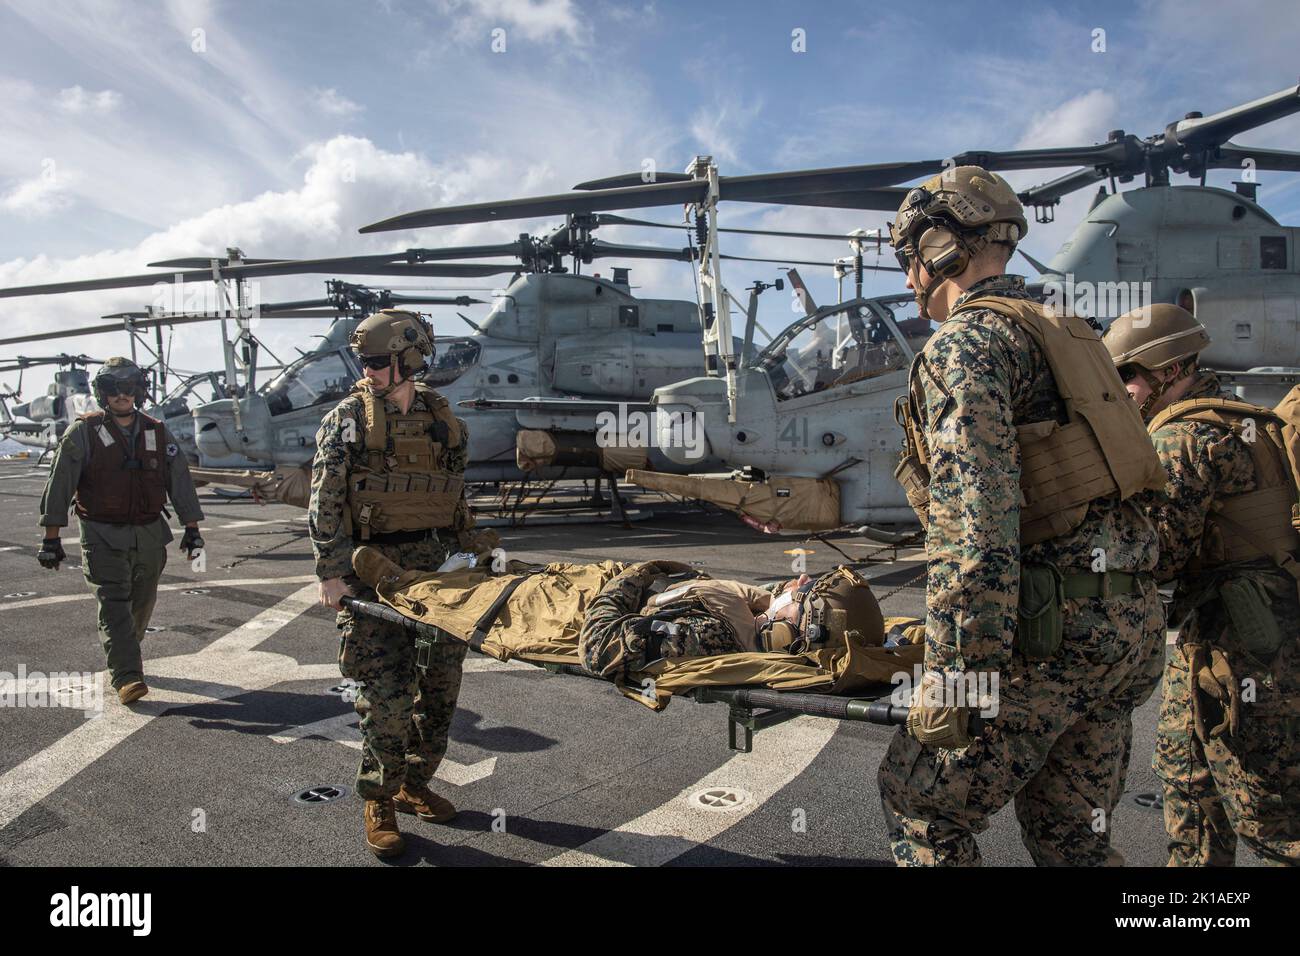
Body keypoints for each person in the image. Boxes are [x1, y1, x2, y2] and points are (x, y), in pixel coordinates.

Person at [878, 166, 1168, 866]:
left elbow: (973, 527)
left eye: (909, 257)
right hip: (1126, 632)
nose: (910, 277)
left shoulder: (965, 345)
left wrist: (958, 675)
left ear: (941, 245)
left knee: (920, 804)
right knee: (1074, 838)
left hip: (1047, 640)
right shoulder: (1071, 333)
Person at [1104, 304, 1300, 866]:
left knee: (1269, 817)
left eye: (1129, 376)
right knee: (1189, 785)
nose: (1124, 391)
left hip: (1245, 651)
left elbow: (1161, 559)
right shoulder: (1246, 419)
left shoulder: (1182, 438)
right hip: (1219, 646)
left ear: (1166, 369)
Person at [309, 309, 489, 860]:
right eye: (362, 362)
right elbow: (326, 498)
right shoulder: (348, 418)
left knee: (439, 692)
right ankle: (379, 798)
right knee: (385, 697)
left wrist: (475, 556)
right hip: (372, 573)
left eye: (378, 363)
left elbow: (456, 495)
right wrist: (331, 570)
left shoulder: (443, 418)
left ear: (409, 360)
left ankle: (415, 783)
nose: (367, 372)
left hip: (437, 572)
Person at [37, 357, 205, 705]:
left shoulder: (156, 431)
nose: (121, 396)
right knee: (113, 602)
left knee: (142, 601)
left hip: (148, 534)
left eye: (128, 388)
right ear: (103, 394)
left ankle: (127, 649)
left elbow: (179, 479)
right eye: (113, 389)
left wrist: (192, 529)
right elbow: (60, 484)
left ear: (139, 391)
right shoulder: (83, 431)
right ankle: (128, 676)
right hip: (100, 533)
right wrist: (51, 537)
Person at [578, 564, 884, 679]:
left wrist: (629, 580)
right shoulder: (753, 619)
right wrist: (785, 594)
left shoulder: (708, 635)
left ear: (791, 632)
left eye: (805, 591)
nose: (802, 580)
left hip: (588, 597)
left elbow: (596, 647)